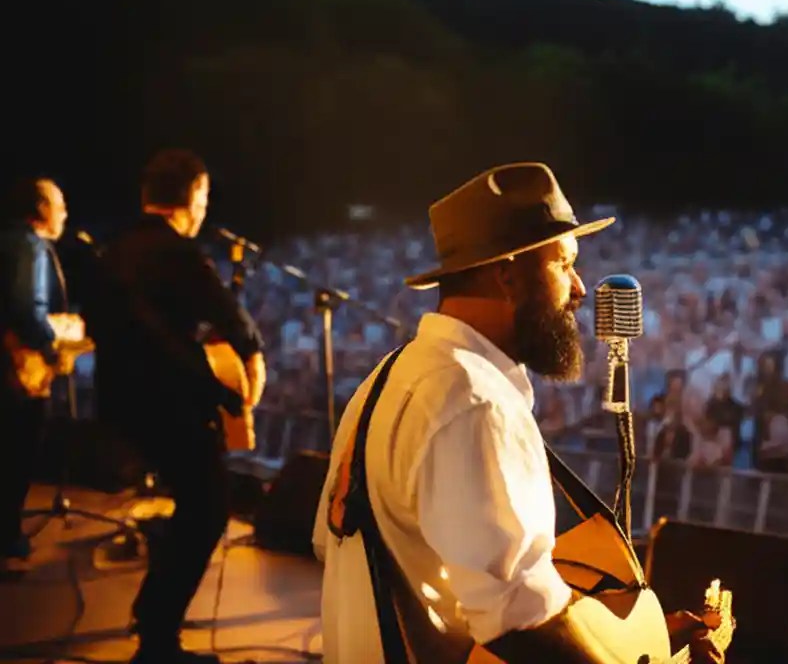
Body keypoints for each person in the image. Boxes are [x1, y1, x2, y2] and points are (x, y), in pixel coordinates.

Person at [313, 162, 723, 663]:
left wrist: (642, 639)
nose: (578, 288)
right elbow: (520, 622)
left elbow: (330, 545)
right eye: (563, 263)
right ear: (507, 273)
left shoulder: (386, 379)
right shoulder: (474, 400)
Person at [85, 149, 265, 664]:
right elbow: (233, 318)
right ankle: (157, 639)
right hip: (172, 407)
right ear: (194, 197)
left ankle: (154, 619)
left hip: (119, 406)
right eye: (204, 196)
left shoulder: (112, 252)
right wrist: (252, 359)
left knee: (192, 505)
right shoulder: (179, 254)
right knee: (208, 510)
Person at [1, 176, 71, 564]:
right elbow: (27, 308)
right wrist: (50, 345)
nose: (65, 213)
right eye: (59, 205)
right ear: (42, 209)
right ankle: (8, 537)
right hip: (15, 374)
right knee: (16, 454)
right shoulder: (30, 248)